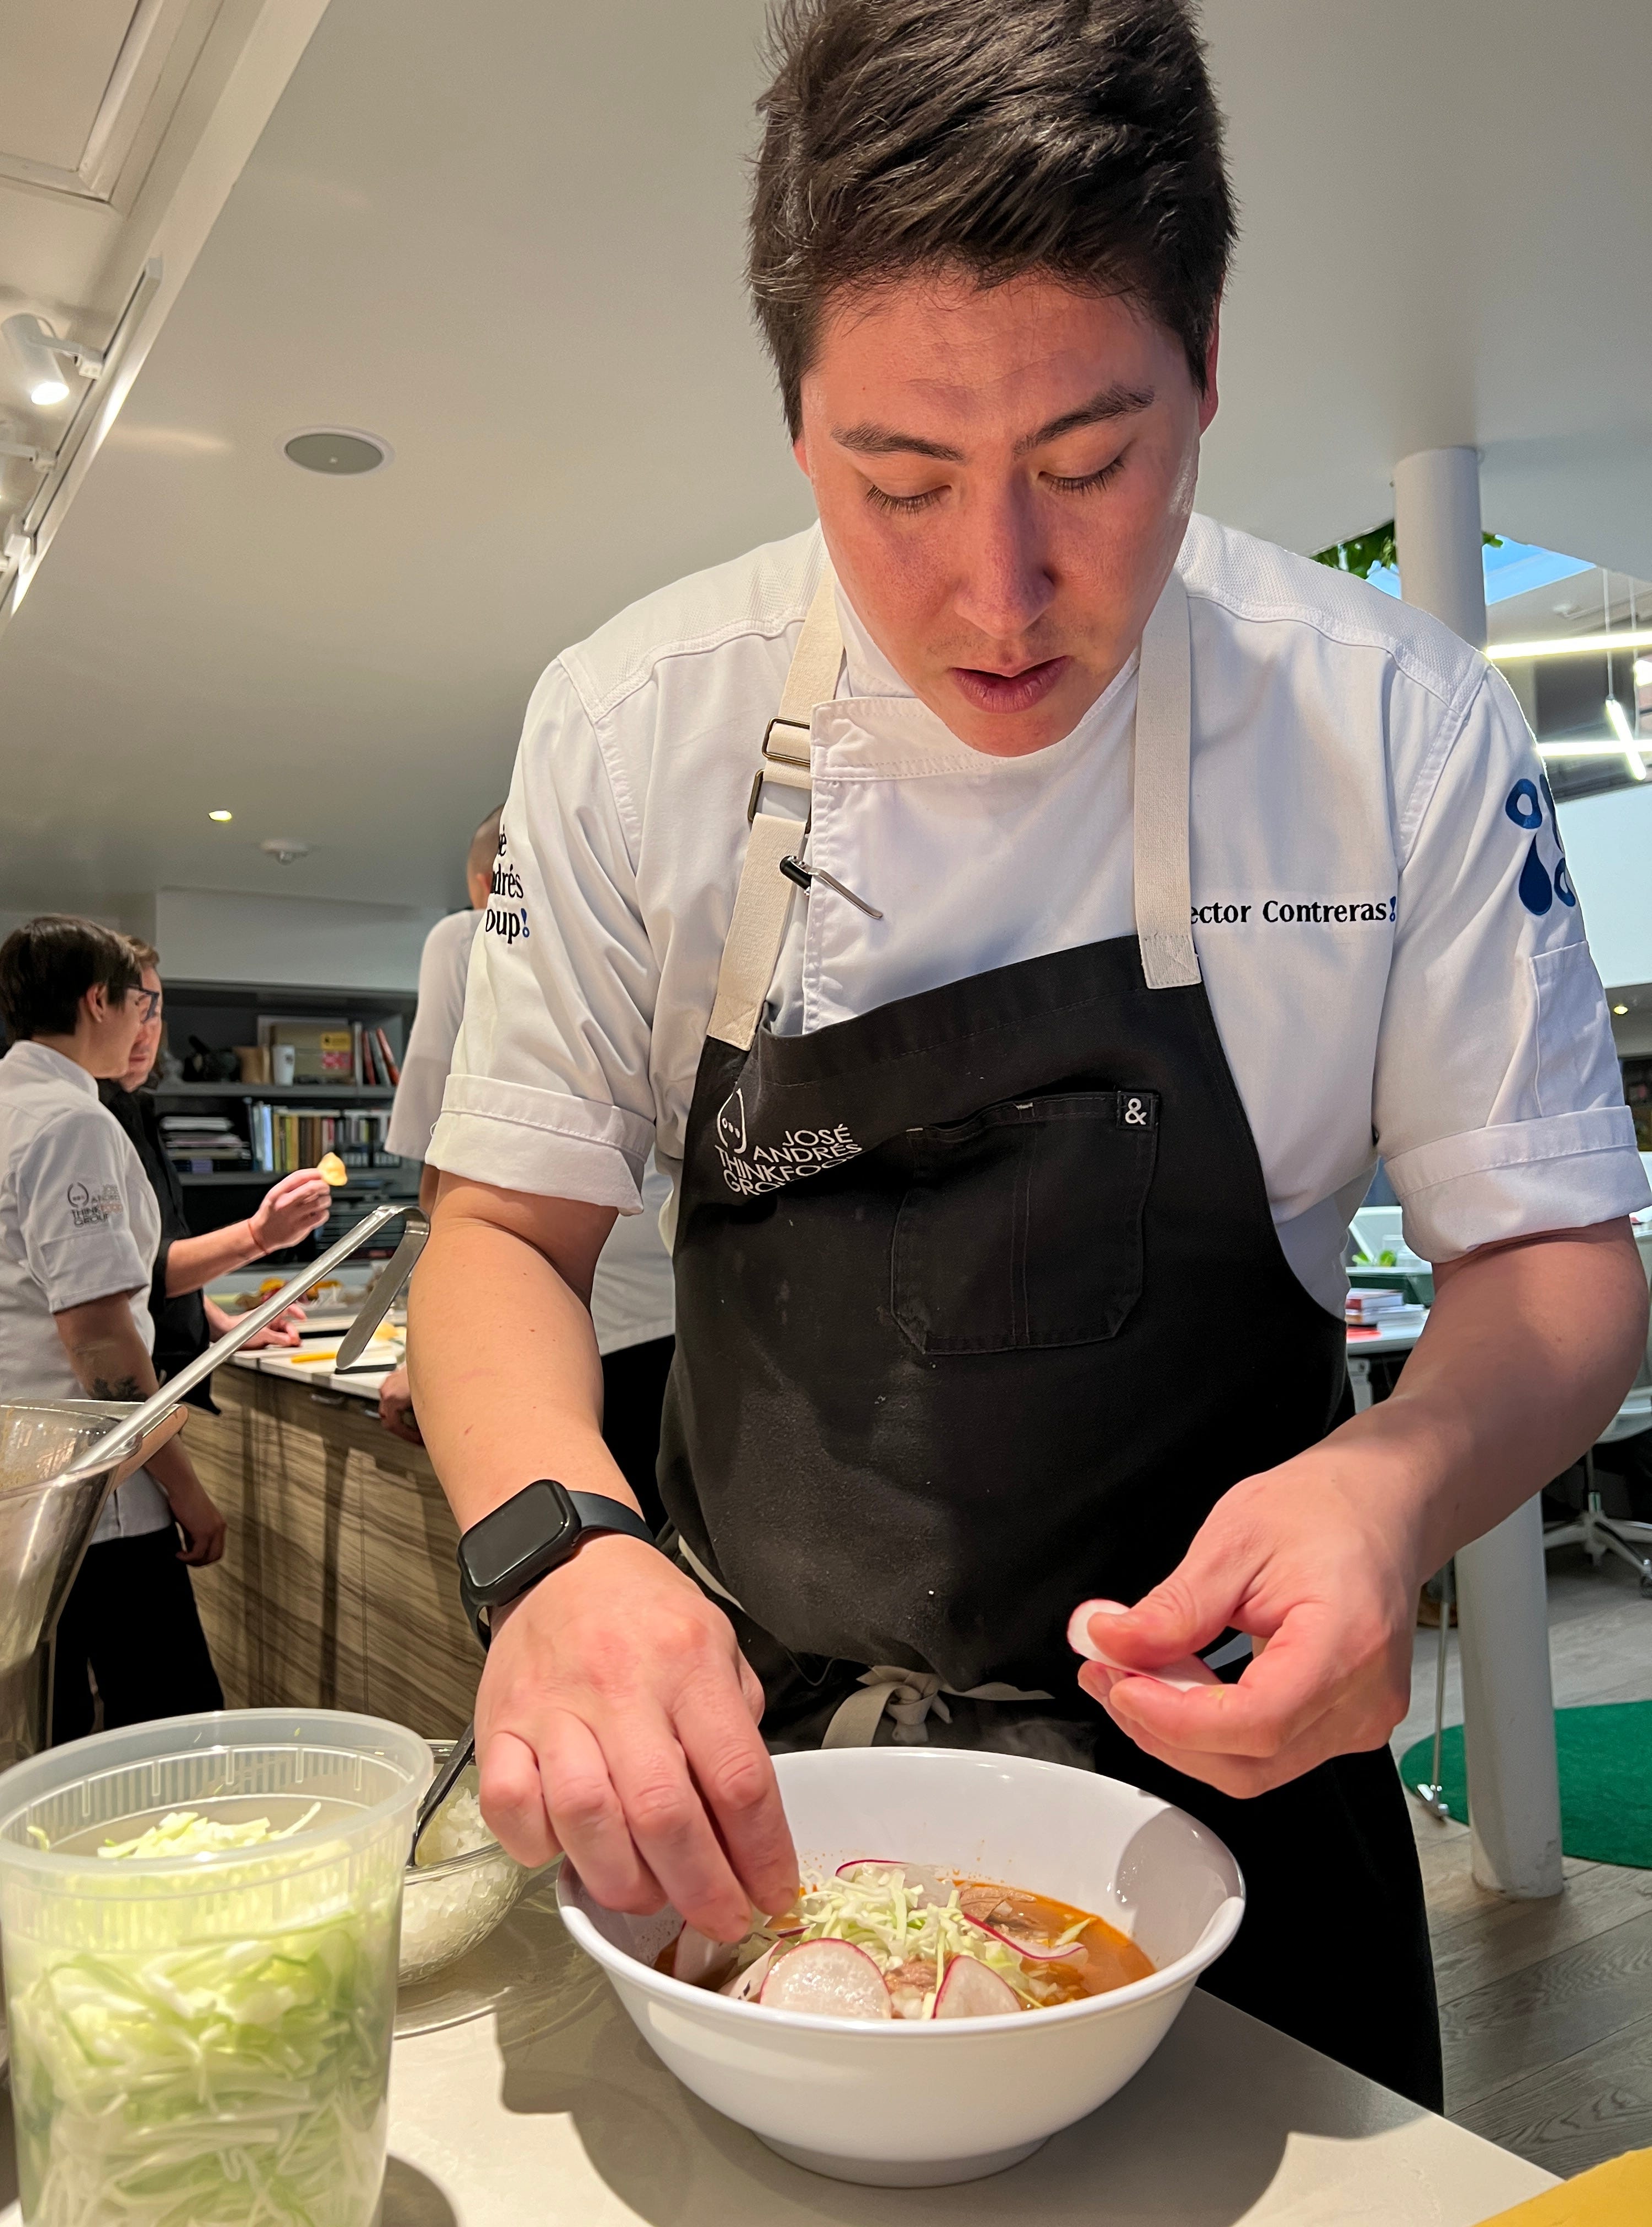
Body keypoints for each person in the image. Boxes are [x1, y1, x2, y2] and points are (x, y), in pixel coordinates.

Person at [404, 0, 1650, 2109]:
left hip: (1235, 1802)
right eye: (896, 481)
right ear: (793, 422)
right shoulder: (634, 725)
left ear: (1207, 368)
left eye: (1089, 464)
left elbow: (1551, 1260)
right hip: (762, 1807)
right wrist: (559, 1550)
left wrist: (1392, 1481)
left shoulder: (1392, 729)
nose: (997, 594)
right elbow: (497, 1236)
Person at [381, 811, 674, 1526]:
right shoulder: (659, 927)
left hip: (562, 1321)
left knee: (567, 1552)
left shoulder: (466, 938)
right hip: (687, 1306)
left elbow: (447, 1159)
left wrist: (423, 1352)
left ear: (490, 884)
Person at [0, 916, 229, 1740]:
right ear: (99, 1001)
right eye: (140, 1004)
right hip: (97, 1505)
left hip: (10, 1490)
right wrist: (186, 1489)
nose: (144, 1025)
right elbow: (97, 1339)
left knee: (44, 1734)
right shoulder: (72, 1124)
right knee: (175, 1737)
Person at [98, 940, 332, 1406]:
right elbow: (140, 1273)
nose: (146, 1033)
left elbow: (156, 1248)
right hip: (122, 1388)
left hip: (165, 1378)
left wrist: (223, 1326)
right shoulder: (88, 1122)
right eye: (134, 1012)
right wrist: (261, 1235)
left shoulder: (133, 1108)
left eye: (154, 1013)